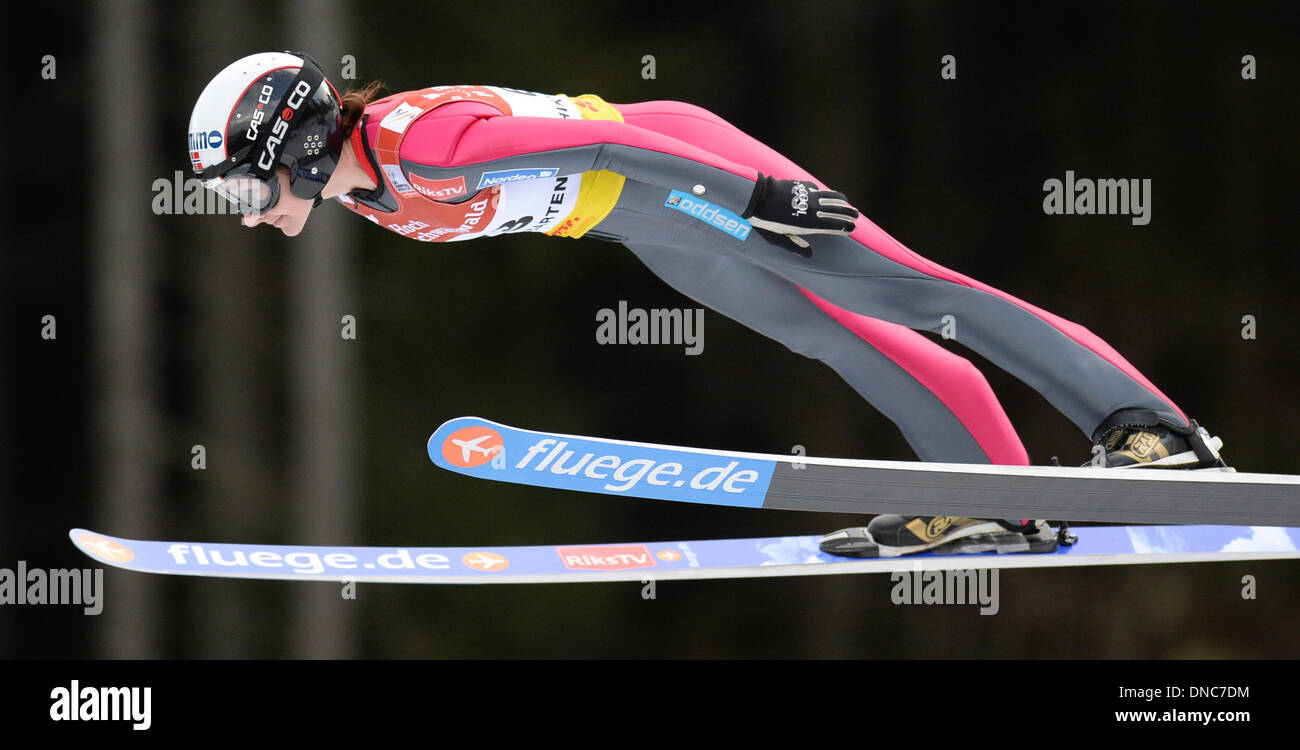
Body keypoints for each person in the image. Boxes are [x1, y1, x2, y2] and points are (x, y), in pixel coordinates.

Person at [187, 51, 1226, 556]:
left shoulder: (421, 143)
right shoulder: (370, 192)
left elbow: (607, 142)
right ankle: (997, 492)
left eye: (242, 185)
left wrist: (758, 199)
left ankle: (1147, 425)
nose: (243, 212)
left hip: (683, 172)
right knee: (824, 333)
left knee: (904, 290)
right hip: (641, 225)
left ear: (300, 143)